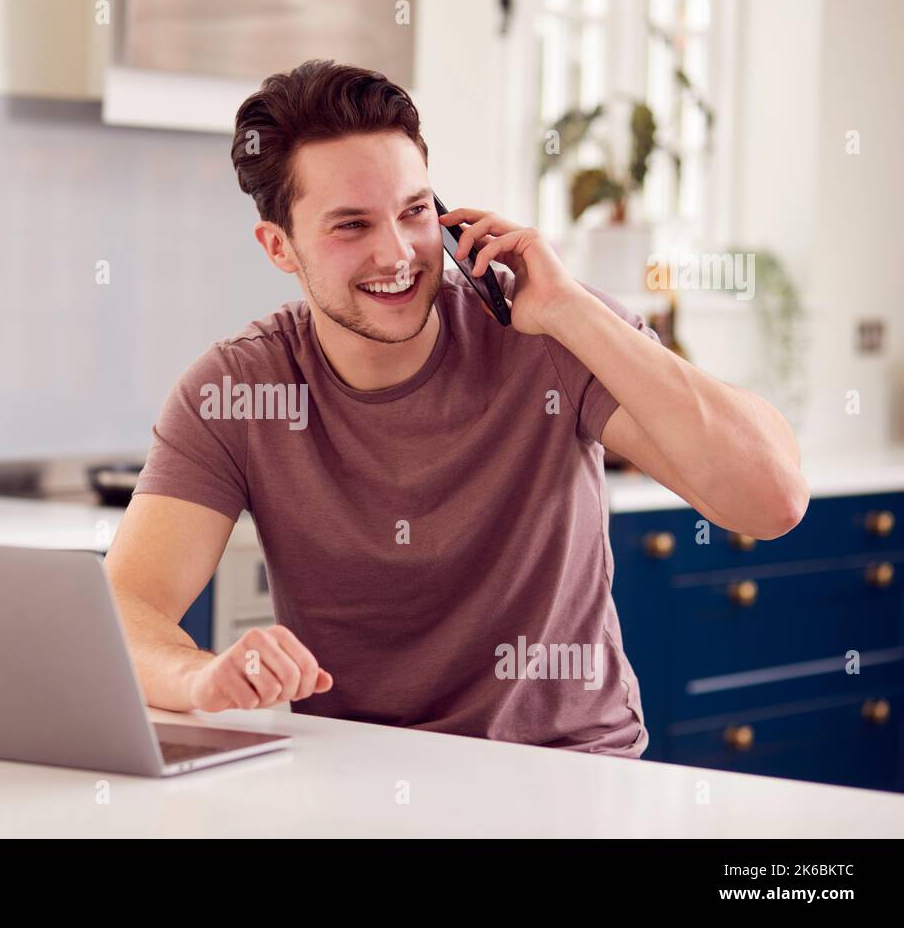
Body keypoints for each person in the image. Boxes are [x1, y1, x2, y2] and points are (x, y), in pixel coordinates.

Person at [104, 59, 807, 756]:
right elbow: (125, 611)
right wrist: (200, 678)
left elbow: (770, 500)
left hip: (569, 773)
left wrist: (575, 313)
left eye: (414, 212)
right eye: (350, 226)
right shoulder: (238, 390)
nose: (398, 253)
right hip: (361, 776)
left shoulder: (545, 334)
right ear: (278, 247)